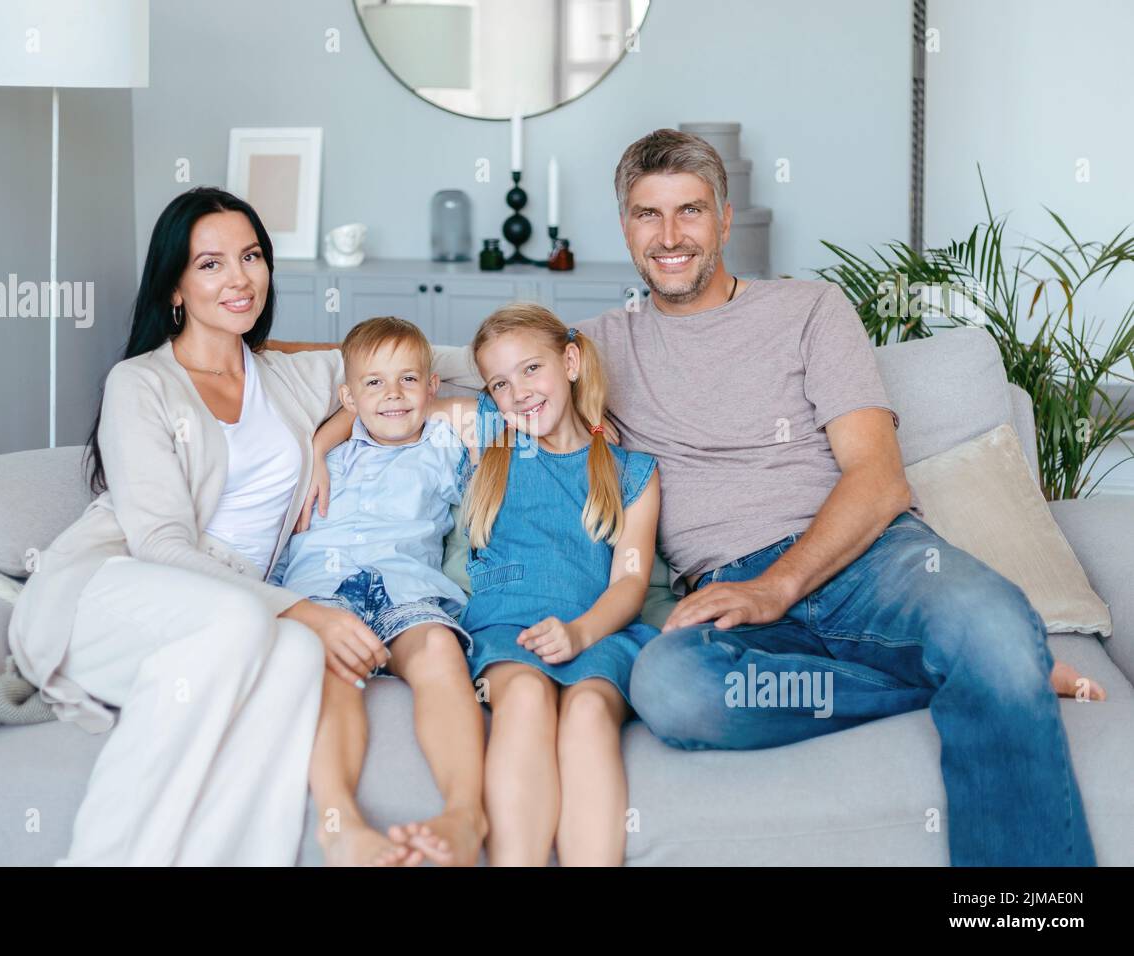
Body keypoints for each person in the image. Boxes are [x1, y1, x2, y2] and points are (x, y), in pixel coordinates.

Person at [581, 128, 1098, 865]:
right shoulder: (596, 347)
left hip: (873, 559)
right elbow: (476, 389)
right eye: (647, 214)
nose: (669, 237)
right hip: (728, 587)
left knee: (988, 616)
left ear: (725, 221)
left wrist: (778, 585)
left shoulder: (810, 310)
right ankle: (968, 677)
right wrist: (355, 400)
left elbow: (879, 477)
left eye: (690, 212)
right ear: (625, 225)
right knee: (671, 686)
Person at [6, 187, 477, 865]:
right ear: (174, 284)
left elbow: (420, 360)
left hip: (242, 608)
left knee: (291, 660)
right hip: (121, 587)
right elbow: (159, 544)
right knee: (263, 629)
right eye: (211, 264)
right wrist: (305, 611)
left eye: (251, 256)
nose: (239, 278)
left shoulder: (287, 376)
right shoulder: (140, 384)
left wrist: (545, 378)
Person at [436, 303, 660, 866]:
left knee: (587, 712)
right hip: (507, 628)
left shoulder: (633, 472)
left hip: (599, 632)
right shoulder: (493, 435)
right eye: (500, 383)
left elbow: (630, 584)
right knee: (528, 695)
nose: (519, 393)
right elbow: (389, 395)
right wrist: (320, 447)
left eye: (532, 369)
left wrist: (582, 633)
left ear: (571, 360)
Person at [272, 317, 486, 867]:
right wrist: (325, 440)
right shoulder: (322, 449)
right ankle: (339, 823)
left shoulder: (443, 442)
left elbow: (492, 412)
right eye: (374, 383)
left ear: (432, 386)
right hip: (322, 592)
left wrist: (420, 407)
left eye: (408, 380)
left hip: (406, 589)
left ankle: (465, 814)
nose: (392, 395)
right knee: (327, 665)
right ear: (347, 396)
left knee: (440, 649)